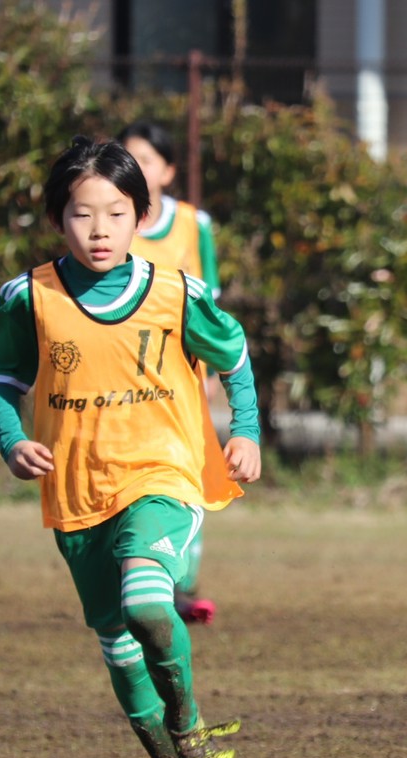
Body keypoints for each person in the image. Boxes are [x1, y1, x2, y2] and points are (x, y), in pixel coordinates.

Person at [0, 135, 262, 758]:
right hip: (76, 495)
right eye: (80, 214)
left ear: (140, 216)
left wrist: (247, 430)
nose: (98, 229)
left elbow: (235, 355)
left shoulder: (174, 290)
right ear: (57, 218)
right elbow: (1, 383)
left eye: (114, 212)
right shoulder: (30, 298)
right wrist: (11, 441)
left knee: (145, 601)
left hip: (163, 474)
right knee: (117, 643)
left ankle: (195, 737)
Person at [117, 120, 230, 626]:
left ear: (166, 170)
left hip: (181, 375)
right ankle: (133, 571)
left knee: (187, 473)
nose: (136, 169)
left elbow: (208, 299)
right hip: (120, 379)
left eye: (145, 159)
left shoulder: (192, 223)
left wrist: (207, 369)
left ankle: (181, 584)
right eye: (126, 158)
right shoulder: (110, 221)